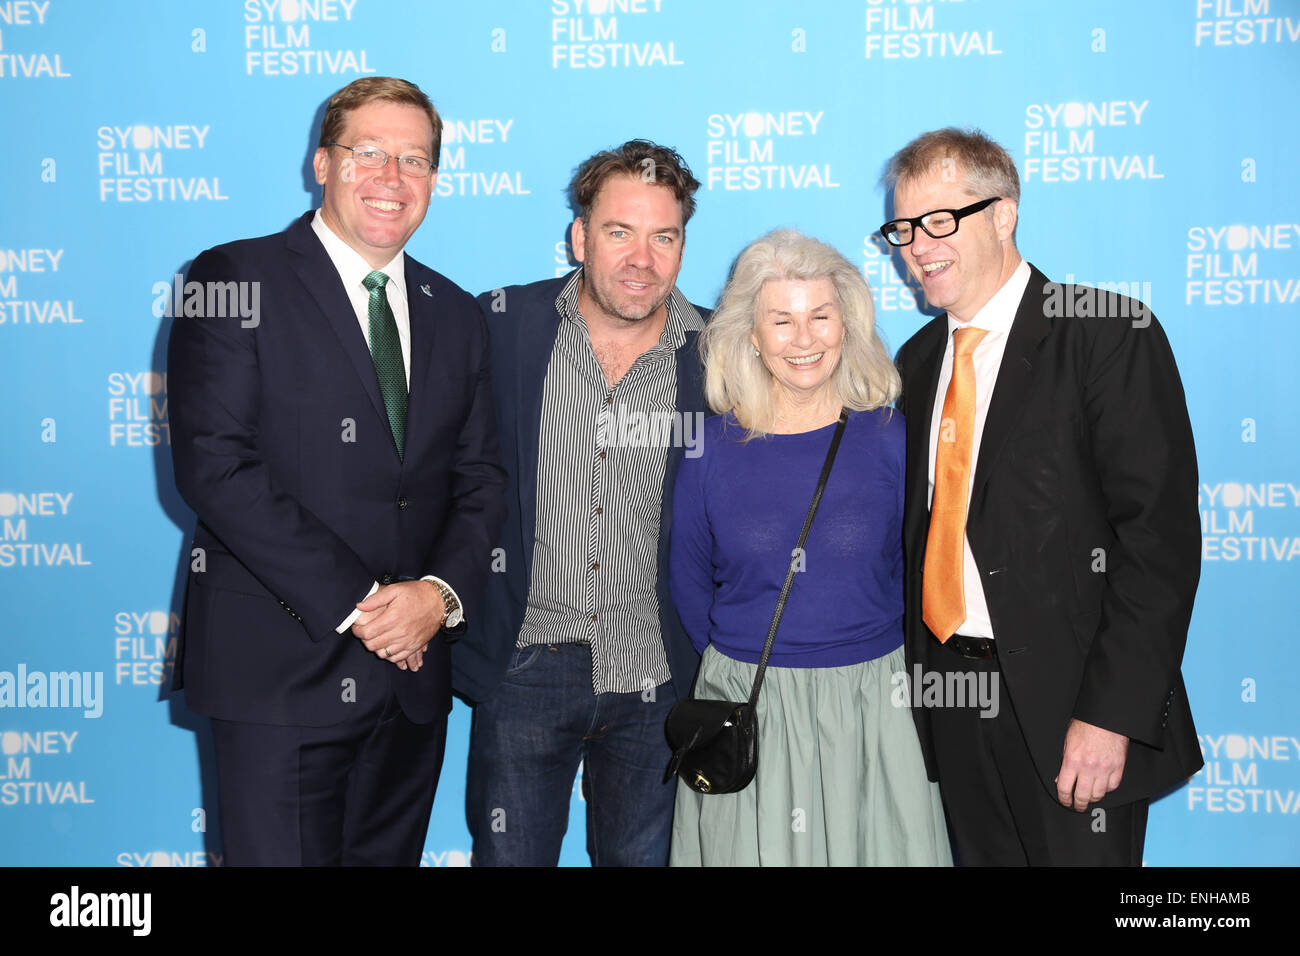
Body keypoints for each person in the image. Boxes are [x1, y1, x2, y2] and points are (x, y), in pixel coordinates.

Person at [167, 76, 506, 866]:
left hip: (414, 683)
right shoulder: (231, 278)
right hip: (280, 677)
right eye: (368, 153)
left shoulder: (456, 313)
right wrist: (365, 608)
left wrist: (437, 596)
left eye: (414, 160)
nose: (393, 178)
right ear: (322, 163)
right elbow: (215, 468)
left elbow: (482, 478)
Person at [886, 127, 1202, 865]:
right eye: (902, 227)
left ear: (1005, 214)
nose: (916, 246)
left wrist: (1110, 717)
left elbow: (1157, 545)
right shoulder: (919, 360)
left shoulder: (1106, 335)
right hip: (951, 705)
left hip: (1072, 713)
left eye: (940, 220)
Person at [454, 140, 710, 867]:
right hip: (523, 664)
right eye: (619, 232)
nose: (642, 257)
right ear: (579, 237)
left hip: (658, 674)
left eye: (664, 236)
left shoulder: (723, 348)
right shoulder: (500, 325)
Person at [668, 228, 951, 866]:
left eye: (821, 316)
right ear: (751, 335)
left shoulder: (892, 438)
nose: (804, 338)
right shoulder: (706, 448)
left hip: (874, 704)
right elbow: (688, 585)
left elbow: (921, 567)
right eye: (782, 320)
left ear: (846, 325)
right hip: (749, 703)